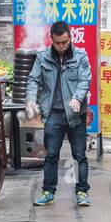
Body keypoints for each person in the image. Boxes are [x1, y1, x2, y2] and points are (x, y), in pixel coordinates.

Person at [25, 21, 93, 207]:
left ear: (70, 38)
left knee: (79, 155)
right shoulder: (43, 58)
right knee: (51, 155)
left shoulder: (80, 56)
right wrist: (31, 99)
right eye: (58, 43)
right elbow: (33, 79)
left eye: (65, 42)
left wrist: (78, 98)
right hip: (52, 115)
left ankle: (82, 192)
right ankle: (48, 192)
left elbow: (85, 79)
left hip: (75, 114)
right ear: (51, 40)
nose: (62, 46)